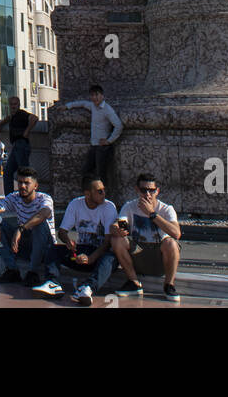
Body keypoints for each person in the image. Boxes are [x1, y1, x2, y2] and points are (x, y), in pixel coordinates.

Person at [0, 167, 62, 298]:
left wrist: (21, 229)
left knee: (40, 224)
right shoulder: (14, 197)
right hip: (26, 245)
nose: (22, 186)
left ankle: (33, 272)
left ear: (35, 186)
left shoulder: (44, 199)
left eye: (26, 183)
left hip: (45, 249)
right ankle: (12, 269)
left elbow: (44, 213)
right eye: (20, 182)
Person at [110, 173, 183, 301]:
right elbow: (119, 223)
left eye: (151, 190)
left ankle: (169, 285)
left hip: (159, 256)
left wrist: (152, 213)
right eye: (144, 190)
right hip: (139, 252)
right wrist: (116, 229)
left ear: (157, 191)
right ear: (137, 190)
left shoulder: (166, 209)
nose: (148, 194)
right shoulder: (129, 207)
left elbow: (176, 233)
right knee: (116, 240)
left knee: (171, 243)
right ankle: (133, 282)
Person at [57, 175, 119, 306]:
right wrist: (68, 242)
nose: (104, 194)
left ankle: (87, 288)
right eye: (99, 191)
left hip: (99, 254)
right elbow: (62, 231)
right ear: (87, 194)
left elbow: (107, 242)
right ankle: (51, 282)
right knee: (53, 250)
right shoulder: (75, 204)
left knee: (111, 258)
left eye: (104, 190)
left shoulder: (109, 207)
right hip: (81, 250)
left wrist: (91, 258)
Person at [62, 85, 123, 186]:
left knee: (101, 174)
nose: (94, 97)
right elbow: (82, 103)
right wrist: (67, 106)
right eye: (92, 95)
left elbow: (119, 126)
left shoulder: (107, 109)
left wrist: (109, 140)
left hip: (103, 147)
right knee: (87, 171)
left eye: (97, 95)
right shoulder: (93, 106)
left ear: (102, 96)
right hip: (94, 145)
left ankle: (103, 196)